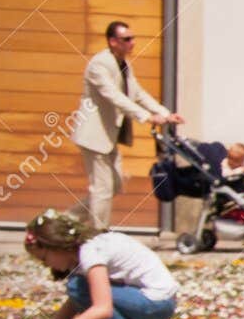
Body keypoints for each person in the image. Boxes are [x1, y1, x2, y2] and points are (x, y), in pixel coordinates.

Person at [22, 208, 186, 319]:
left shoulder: (91, 252)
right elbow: (76, 301)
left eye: (44, 259)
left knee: (79, 290)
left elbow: (102, 309)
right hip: (157, 302)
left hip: (156, 304)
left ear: (56, 246)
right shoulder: (86, 250)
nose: (47, 265)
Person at [71, 21, 184, 230]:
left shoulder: (123, 64)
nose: (132, 43)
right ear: (113, 41)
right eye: (127, 39)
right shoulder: (99, 65)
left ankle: (67, 221)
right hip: (94, 137)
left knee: (114, 185)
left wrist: (165, 114)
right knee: (102, 188)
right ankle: (98, 235)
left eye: (133, 38)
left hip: (109, 137)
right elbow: (114, 96)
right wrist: (146, 117)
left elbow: (137, 93)